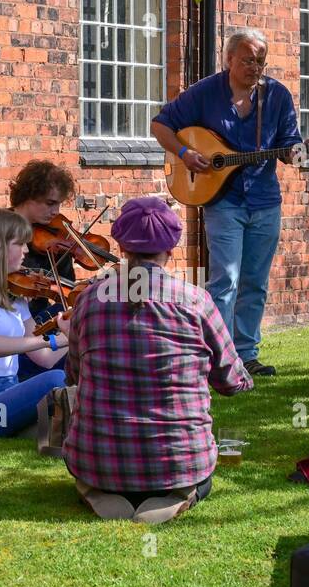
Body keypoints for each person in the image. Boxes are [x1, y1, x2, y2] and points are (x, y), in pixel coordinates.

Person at [63, 197, 253, 523]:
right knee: (199, 466)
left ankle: (96, 491)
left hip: (99, 462)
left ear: (122, 247)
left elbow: (74, 376)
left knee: (88, 459)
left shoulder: (89, 300)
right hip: (179, 463)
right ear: (171, 249)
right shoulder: (197, 301)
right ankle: (179, 493)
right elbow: (231, 382)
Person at [150, 28, 302, 377]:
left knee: (255, 282)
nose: (255, 66)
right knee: (225, 280)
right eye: (248, 59)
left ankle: (246, 354)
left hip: (265, 200)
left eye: (260, 60)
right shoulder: (206, 92)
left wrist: (295, 153)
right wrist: (186, 154)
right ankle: (217, 357)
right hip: (223, 201)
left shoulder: (276, 96)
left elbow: (290, 141)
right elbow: (161, 125)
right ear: (229, 59)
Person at [0, 160, 81, 379]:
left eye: (59, 204)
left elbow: (63, 292)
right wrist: (3, 278)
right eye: (49, 203)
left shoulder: (57, 237)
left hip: (30, 318)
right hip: (8, 323)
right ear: (29, 195)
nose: (56, 211)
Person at [0, 207, 71, 436]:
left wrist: (72, 337)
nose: (27, 250)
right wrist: (47, 341)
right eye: (20, 244)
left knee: (68, 377)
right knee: (56, 380)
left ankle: (48, 430)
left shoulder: (14, 297)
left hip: (9, 391)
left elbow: (44, 359)